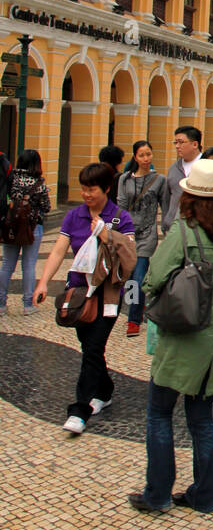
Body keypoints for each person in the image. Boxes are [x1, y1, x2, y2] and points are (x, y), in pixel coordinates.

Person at [129, 159, 213, 513]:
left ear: (189, 196)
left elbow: (153, 279)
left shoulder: (184, 231)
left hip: (183, 336)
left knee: (159, 412)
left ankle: (158, 494)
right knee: (201, 418)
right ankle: (204, 495)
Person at [34, 162, 136, 435]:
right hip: (79, 294)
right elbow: (58, 251)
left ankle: (80, 410)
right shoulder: (74, 216)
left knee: (92, 348)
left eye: (91, 189)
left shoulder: (120, 218)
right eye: (83, 189)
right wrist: (43, 282)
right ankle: (105, 389)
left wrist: (108, 236)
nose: (86, 194)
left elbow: (130, 257)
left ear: (105, 189)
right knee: (89, 347)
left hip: (108, 294)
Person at [116, 140, 165, 338]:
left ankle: (133, 320)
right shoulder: (124, 179)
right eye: (142, 155)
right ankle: (135, 306)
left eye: (149, 154)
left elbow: (165, 205)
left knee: (138, 276)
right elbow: (120, 205)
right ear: (135, 157)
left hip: (147, 234)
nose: (146, 158)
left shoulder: (159, 179)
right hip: (128, 234)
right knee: (129, 277)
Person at [0, 149, 51, 314]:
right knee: (29, 265)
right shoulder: (39, 184)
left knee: (7, 265)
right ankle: (28, 305)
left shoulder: (12, 180)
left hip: (12, 226)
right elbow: (46, 207)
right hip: (33, 227)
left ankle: (1, 303)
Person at [162, 126, 203, 232]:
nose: (177, 146)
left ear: (195, 144)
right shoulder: (174, 168)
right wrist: (166, 222)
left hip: (199, 228)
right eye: (175, 143)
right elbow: (167, 198)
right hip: (174, 227)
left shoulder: (206, 167)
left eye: (181, 142)